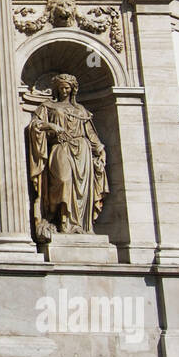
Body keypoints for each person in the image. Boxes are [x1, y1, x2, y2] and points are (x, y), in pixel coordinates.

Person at [27, 73, 108, 240]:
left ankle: (78, 225)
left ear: (73, 89)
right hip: (60, 147)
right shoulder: (48, 106)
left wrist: (100, 149)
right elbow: (35, 125)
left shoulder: (81, 111)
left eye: (67, 88)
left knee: (82, 190)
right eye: (61, 88)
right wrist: (50, 125)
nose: (64, 90)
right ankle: (61, 221)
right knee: (63, 181)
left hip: (82, 150)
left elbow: (90, 134)